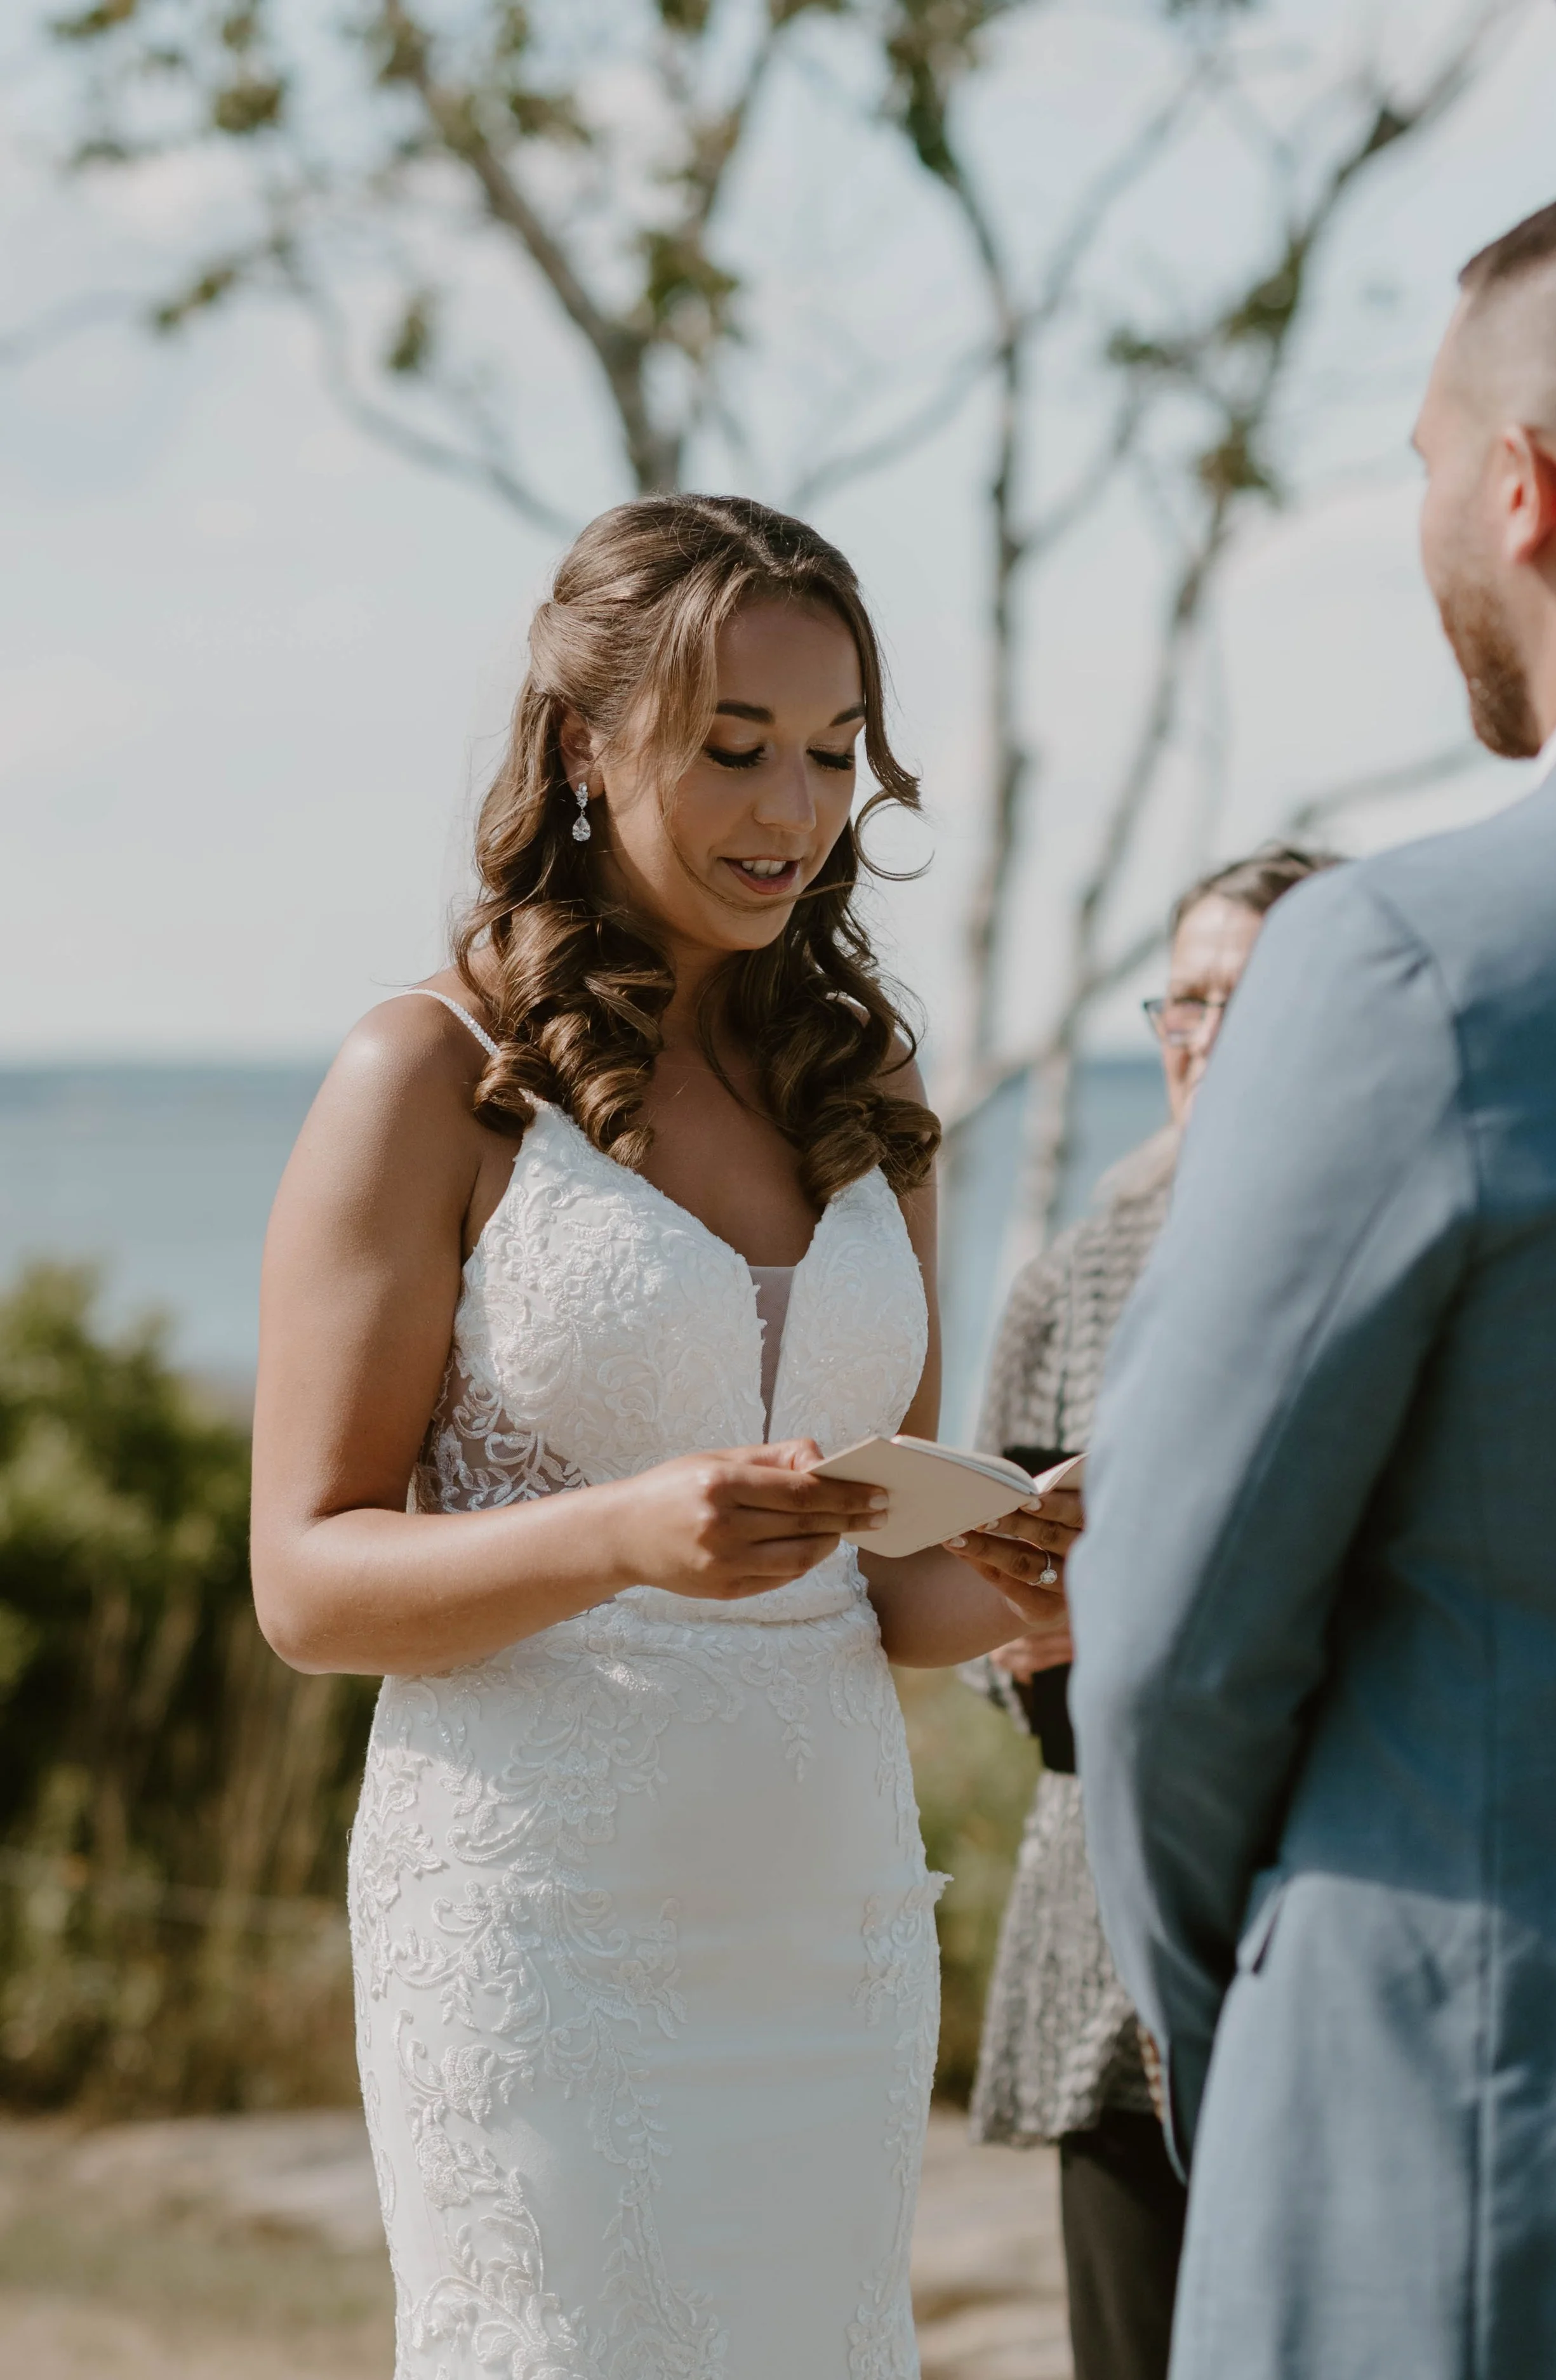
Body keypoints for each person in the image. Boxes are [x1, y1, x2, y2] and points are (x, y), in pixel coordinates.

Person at [249, 494, 1075, 2380]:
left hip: (831, 1929)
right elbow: (307, 1578)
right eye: (732, 750)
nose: (791, 809)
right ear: (579, 744)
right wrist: (617, 1535)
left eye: (830, 752)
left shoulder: (865, 1083)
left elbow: (893, 1581)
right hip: (545, 1937)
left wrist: (1036, 1564)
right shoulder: (430, 1076)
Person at [1070, 183, 1556, 2379]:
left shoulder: (1418, 967)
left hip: (1464, 2146)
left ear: (1520, 487)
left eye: (1409, 475)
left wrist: (1261, 2026)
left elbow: (1171, 1654)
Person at [964, 843, 1338, 2380]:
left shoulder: (1392, 1256)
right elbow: (982, 1615)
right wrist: (1023, 1627)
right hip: (1098, 1911)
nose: (1198, 1039)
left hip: (1318, 1913)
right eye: (1177, 1002)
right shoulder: (1073, 1274)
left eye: (1239, 1003)